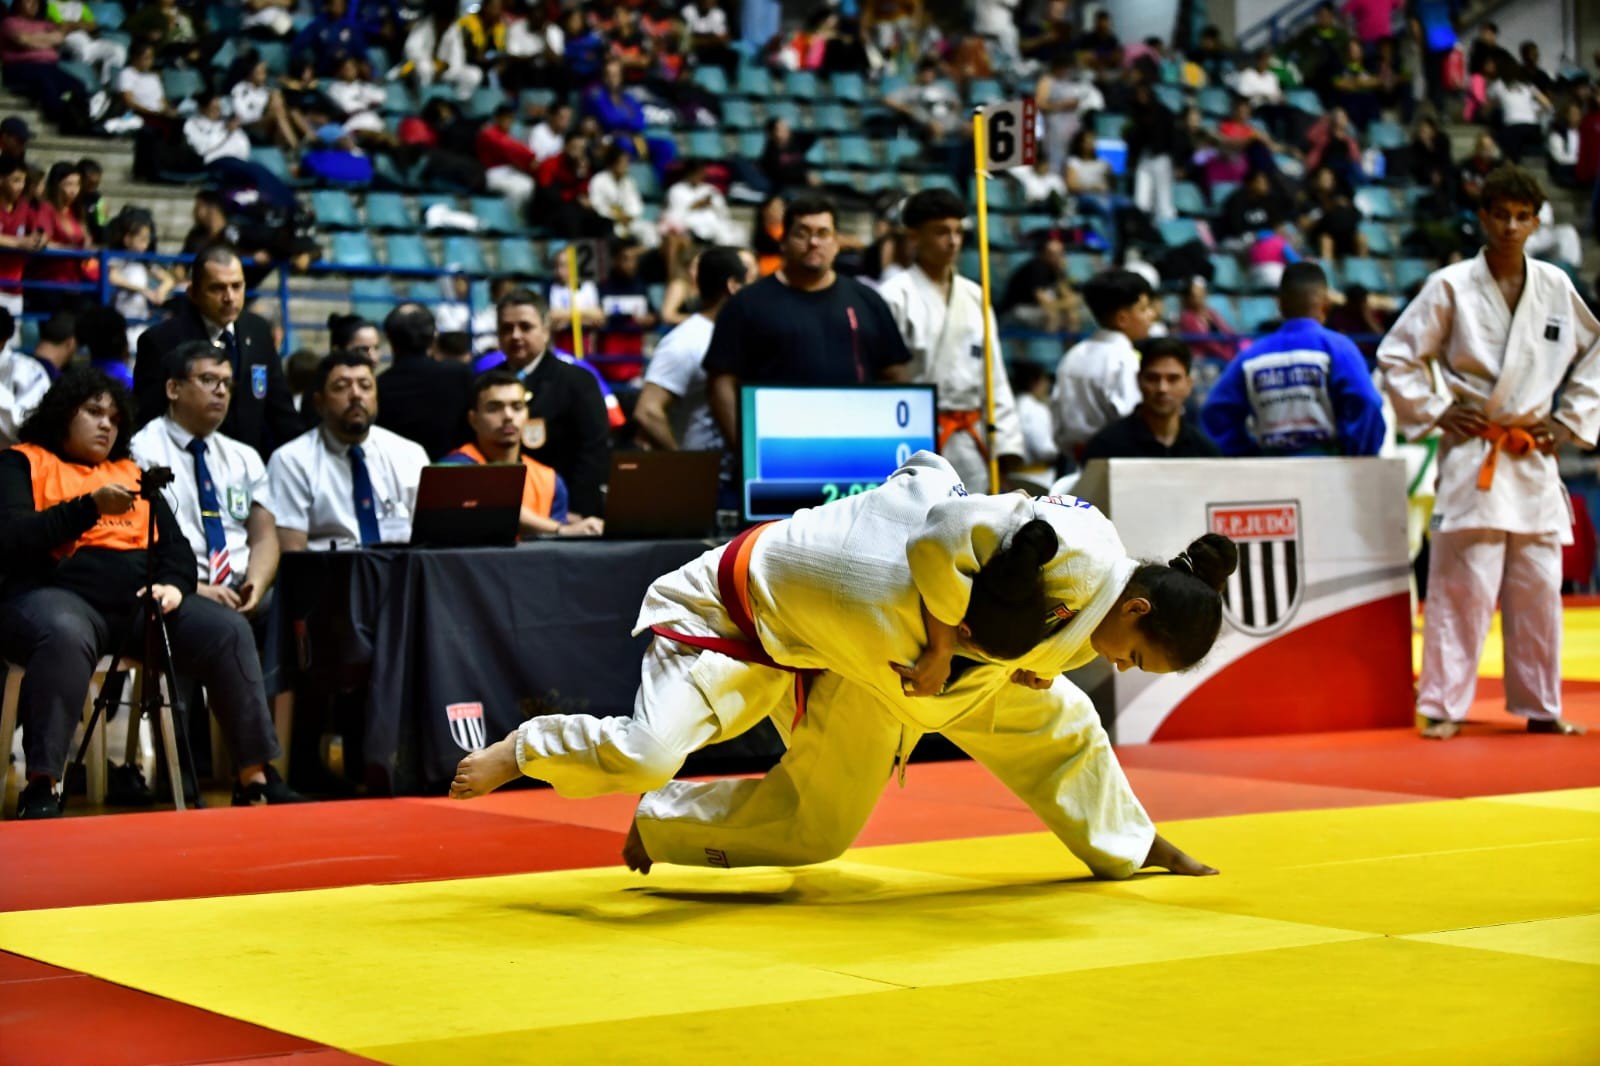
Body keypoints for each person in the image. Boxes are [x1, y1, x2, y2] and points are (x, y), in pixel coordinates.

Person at [451, 449, 1234, 880]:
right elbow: (942, 532)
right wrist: (939, 648)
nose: (1125, 668)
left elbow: (1007, 605)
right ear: (1134, 609)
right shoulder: (1077, 553)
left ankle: (1131, 842)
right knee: (648, 752)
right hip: (747, 611)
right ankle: (526, 747)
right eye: (1137, 656)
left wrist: (1009, 665)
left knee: (819, 834)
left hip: (862, 659)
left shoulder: (1096, 600)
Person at [0, 367, 297, 818]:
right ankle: (44, 784)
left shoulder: (131, 471)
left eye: (115, 418)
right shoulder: (22, 462)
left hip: (142, 602)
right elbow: (15, 538)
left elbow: (175, 549)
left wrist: (175, 586)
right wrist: (89, 507)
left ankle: (254, 777)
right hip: (55, 595)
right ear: (63, 414)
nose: (106, 424)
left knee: (228, 629)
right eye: (94, 412)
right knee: (62, 632)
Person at [1377, 165, 1600, 740]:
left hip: (1529, 456)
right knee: (1461, 589)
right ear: (1482, 217)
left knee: (1539, 589)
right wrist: (1434, 410)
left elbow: (1595, 347)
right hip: (1476, 451)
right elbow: (1398, 354)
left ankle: (1542, 707)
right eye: (1499, 214)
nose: (1510, 226)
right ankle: (1444, 706)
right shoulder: (1451, 284)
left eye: (1522, 216)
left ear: (1536, 220)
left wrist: (1569, 418)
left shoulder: (1554, 285)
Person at [128, 340, 282, 689]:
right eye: (209, 380)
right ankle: (215, 744)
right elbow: (136, 543)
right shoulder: (140, 451)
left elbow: (264, 535)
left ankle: (298, 734)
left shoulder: (243, 456)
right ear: (173, 388)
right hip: (181, 589)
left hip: (240, 587)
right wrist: (195, 588)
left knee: (302, 615)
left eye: (227, 383)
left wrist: (255, 585)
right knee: (213, 625)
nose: (221, 391)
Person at [703, 194, 913, 449]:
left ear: (837, 242)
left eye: (823, 233)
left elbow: (896, 376)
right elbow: (721, 384)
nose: (813, 242)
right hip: (777, 450)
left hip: (855, 450)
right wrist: (745, 451)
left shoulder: (868, 301)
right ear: (783, 241)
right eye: (802, 234)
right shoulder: (746, 304)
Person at [879, 189, 1023, 492]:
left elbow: (994, 376)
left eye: (958, 231)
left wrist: (1006, 445)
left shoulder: (975, 295)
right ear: (915, 236)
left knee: (976, 522)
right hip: (913, 433)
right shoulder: (894, 295)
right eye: (942, 232)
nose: (953, 241)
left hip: (969, 437)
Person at [1202, 262, 1386, 457]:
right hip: (1330, 470)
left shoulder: (1251, 356)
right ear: (1326, 304)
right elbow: (1367, 401)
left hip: (1271, 473)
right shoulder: (1338, 348)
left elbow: (1215, 414)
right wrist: (1357, 452)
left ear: (1279, 304)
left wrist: (1247, 453)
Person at [134, 244, 301, 457]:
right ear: (193, 293)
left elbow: (281, 412)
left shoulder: (258, 331)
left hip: (247, 469)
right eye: (217, 288)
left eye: (236, 286)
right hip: (185, 466)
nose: (229, 297)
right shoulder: (161, 341)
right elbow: (148, 419)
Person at [266, 351, 428, 550]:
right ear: (319, 402)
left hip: (401, 571)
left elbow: (430, 540)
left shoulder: (410, 454)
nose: (356, 395)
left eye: (365, 386)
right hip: (331, 575)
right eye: (341, 387)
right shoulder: (291, 460)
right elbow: (292, 554)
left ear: (376, 397)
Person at [437, 370, 602, 538]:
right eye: (494, 408)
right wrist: (560, 528)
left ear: (527, 414)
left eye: (517, 407)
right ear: (473, 420)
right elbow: (497, 506)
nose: (508, 416)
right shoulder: (452, 469)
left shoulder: (549, 480)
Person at [495, 289, 611, 517]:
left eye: (525, 327)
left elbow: (593, 451)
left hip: (562, 509)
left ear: (546, 331)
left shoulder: (578, 381)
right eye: (507, 328)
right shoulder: (485, 383)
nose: (515, 335)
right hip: (503, 508)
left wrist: (577, 510)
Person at [635, 246, 748, 459]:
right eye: (748, 282)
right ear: (733, 286)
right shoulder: (686, 339)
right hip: (707, 481)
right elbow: (647, 411)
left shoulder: (740, 333)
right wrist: (684, 463)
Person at [1051, 270, 1158, 463]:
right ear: (1122, 319)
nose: (1152, 315)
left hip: (1073, 460)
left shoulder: (1072, 355)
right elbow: (1134, 421)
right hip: (1115, 462)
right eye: (1144, 309)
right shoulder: (1125, 360)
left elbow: (1058, 421)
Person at [1084, 339, 1221, 460]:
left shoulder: (1205, 453)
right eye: (1153, 378)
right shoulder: (1106, 448)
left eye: (1173, 379)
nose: (1162, 388)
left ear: (1189, 385)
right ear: (1138, 381)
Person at [374, 302, 473, 460]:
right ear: (435, 336)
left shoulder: (376, 387)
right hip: (454, 476)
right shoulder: (461, 375)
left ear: (390, 340)